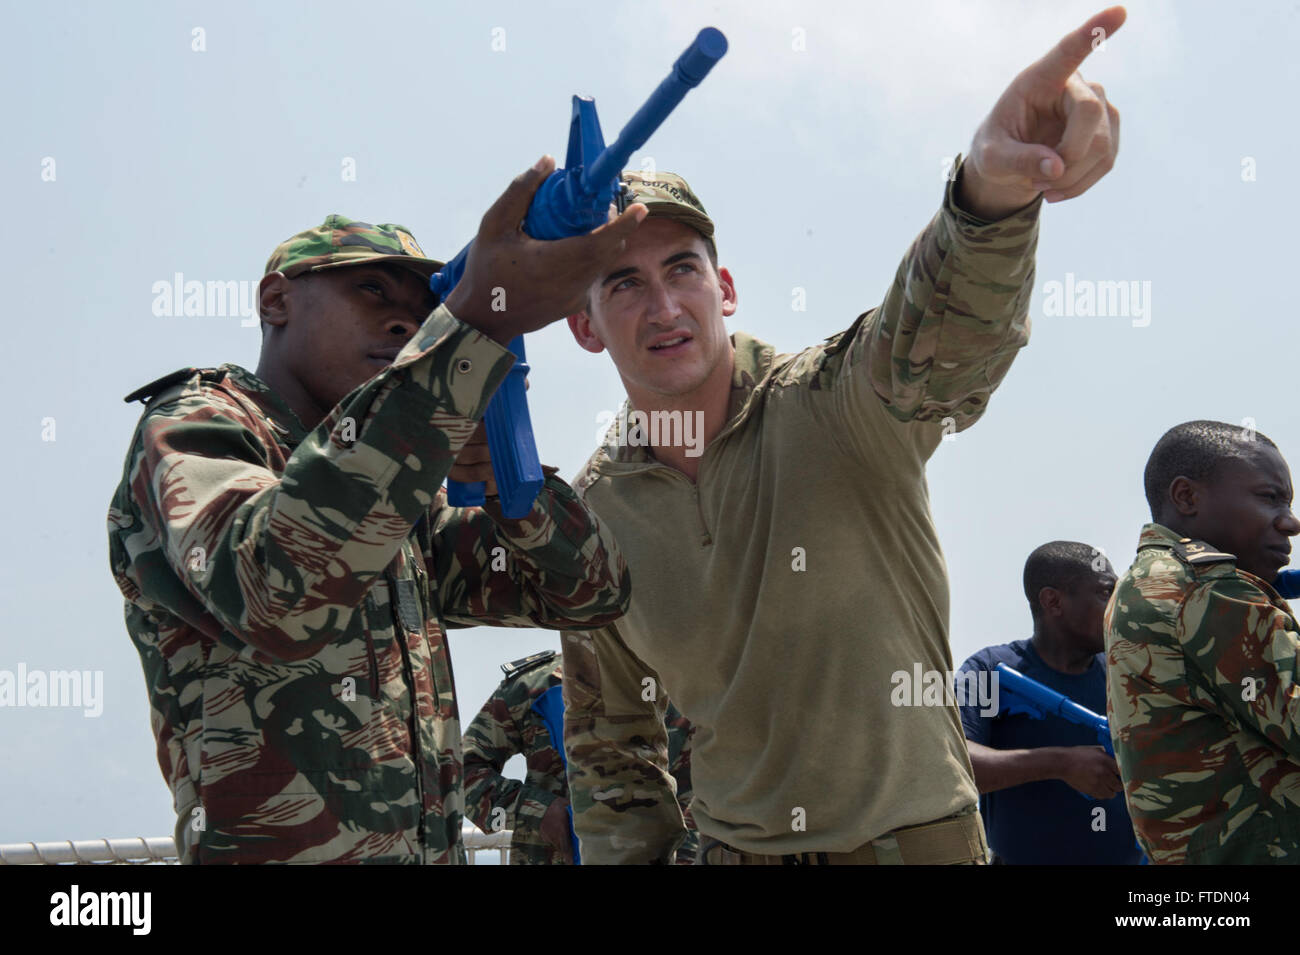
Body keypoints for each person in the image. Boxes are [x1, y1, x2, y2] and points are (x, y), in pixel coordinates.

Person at [560, 8, 1126, 864]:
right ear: (586, 326)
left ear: (727, 288)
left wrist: (989, 194)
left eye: (682, 269)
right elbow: (610, 745)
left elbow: (935, 340)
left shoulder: (833, 402)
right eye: (625, 283)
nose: (665, 306)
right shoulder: (590, 517)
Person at [106, 159, 646, 864]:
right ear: (276, 301)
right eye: (370, 288)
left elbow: (593, 591)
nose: (404, 320)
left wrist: (512, 487)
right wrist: (472, 327)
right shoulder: (197, 424)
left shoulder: (395, 497)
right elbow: (274, 589)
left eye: (424, 310)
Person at [1105, 420, 1300, 863]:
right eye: (1270, 498)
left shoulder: (1150, 579)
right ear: (1186, 497)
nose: (1291, 522)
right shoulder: (1208, 590)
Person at [958, 541, 1142, 864]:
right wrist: (1062, 764)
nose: (1118, 607)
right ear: (1053, 601)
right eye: (1105, 593)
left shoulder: (1127, 673)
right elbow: (958, 763)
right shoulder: (988, 670)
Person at [463, 650, 698, 864]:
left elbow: (699, 808)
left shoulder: (681, 691)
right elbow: (458, 773)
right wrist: (537, 811)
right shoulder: (537, 685)